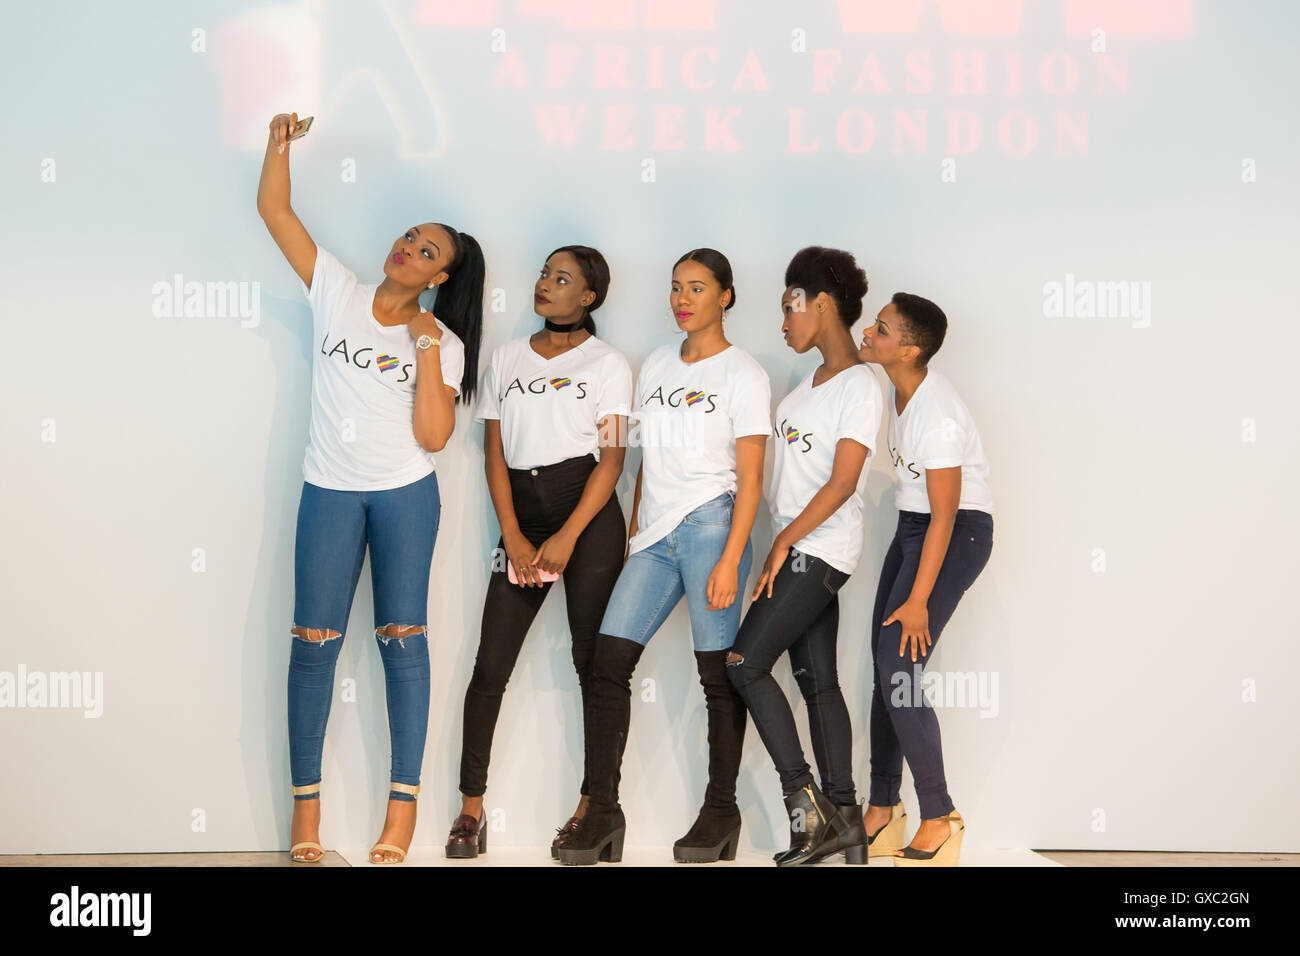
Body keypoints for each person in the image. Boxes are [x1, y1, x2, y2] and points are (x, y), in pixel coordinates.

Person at [257, 111, 484, 864]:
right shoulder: (339, 292)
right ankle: (306, 814)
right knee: (312, 642)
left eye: (427, 251)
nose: (409, 249)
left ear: (440, 277)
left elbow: (433, 437)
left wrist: (422, 348)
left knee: (402, 640)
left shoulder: (442, 343)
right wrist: (278, 145)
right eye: (410, 237)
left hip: (402, 496)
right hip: (328, 487)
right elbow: (275, 212)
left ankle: (401, 814)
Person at [557, 249, 770, 865]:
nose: (682, 298)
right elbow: (641, 459)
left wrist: (732, 558)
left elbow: (752, 479)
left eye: (697, 288)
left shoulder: (744, 375)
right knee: (606, 664)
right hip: (652, 539)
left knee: (717, 677)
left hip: (712, 527)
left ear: (724, 297)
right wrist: (631, 538)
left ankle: (720, 812)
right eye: (676, 287)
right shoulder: (653, 365)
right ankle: (602, 812)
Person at [446, 247, 632, 859]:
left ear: (589, 297)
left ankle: (594, 806)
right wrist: (518, 537)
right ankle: (471, 810)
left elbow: (611, 460)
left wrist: (567, 537)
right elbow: (493, 454)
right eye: (544, 274)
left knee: (594, 667)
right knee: (489, 665)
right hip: (521, 521)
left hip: (588, 519)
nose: (545, 285)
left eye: (562, 279)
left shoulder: (608, 364)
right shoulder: (504, 358)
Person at [725, 247, 883, 866]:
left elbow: (843, 481)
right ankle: (846, 820)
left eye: (790, 306)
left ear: (821, 304)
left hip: (818, 550)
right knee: (819, 684)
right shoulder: (802, 391)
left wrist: (785, 542)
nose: (784, 321)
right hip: (798, 546)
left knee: (743, 664)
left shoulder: (860, 385)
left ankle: (806, 806)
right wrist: (779, 539)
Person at [858, 292, 994, 867]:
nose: (870, 331)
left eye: (881, 329)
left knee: (899, 668)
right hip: (915, 525)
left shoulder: (936, 415)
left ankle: (939, 815)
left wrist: (917, 600)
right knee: (885, 663)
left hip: (955, 533)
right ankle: (884, 807)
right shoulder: (900, 385)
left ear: (910, 349)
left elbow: (946, 515)